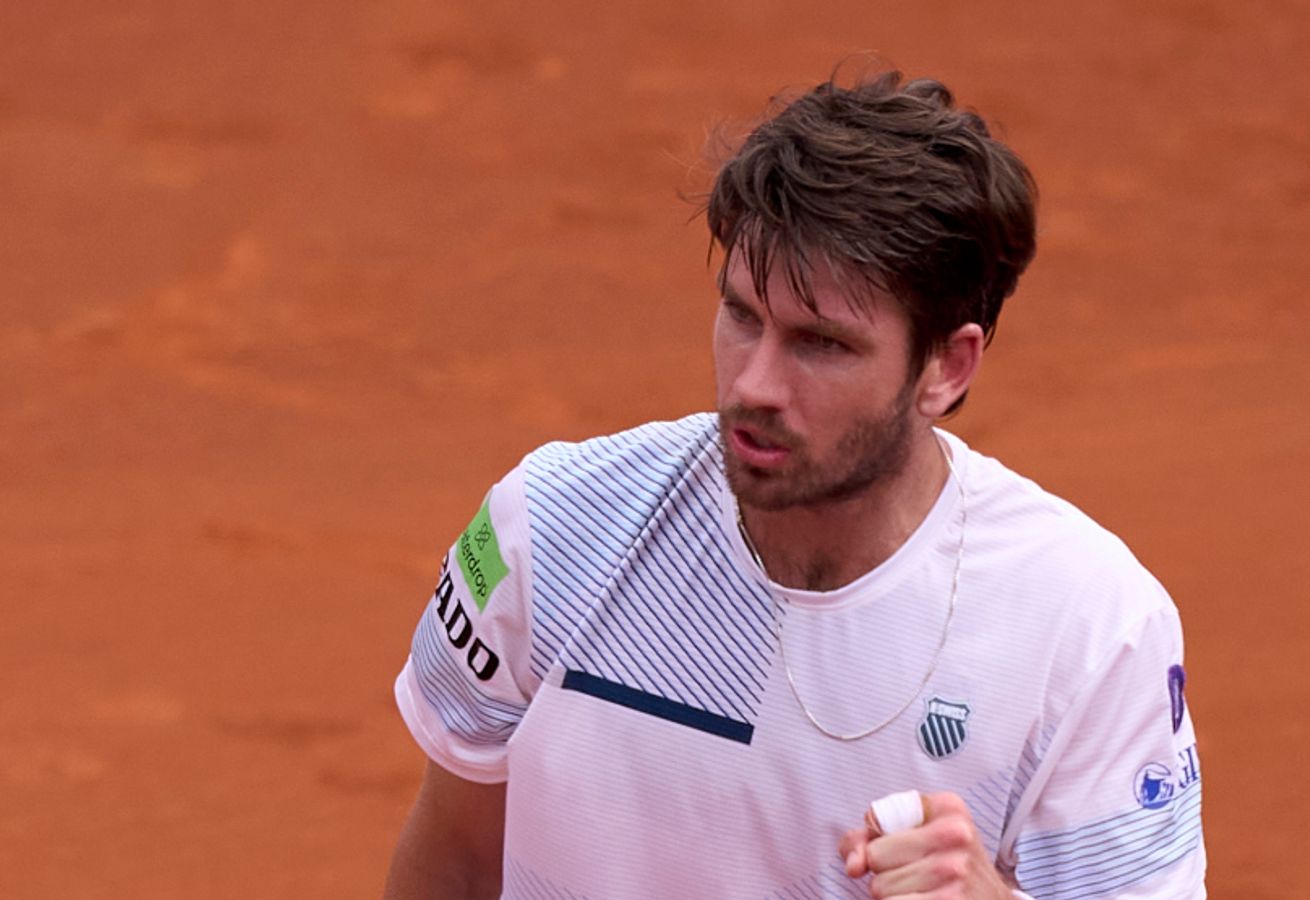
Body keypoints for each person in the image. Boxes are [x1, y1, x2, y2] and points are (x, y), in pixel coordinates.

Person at [383, 68, 1206, 899]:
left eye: (821, 344)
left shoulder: (1089, 628)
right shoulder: (556, 530)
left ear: (946, 368)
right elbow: (452, 860)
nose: (754, 386)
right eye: (742, 315)